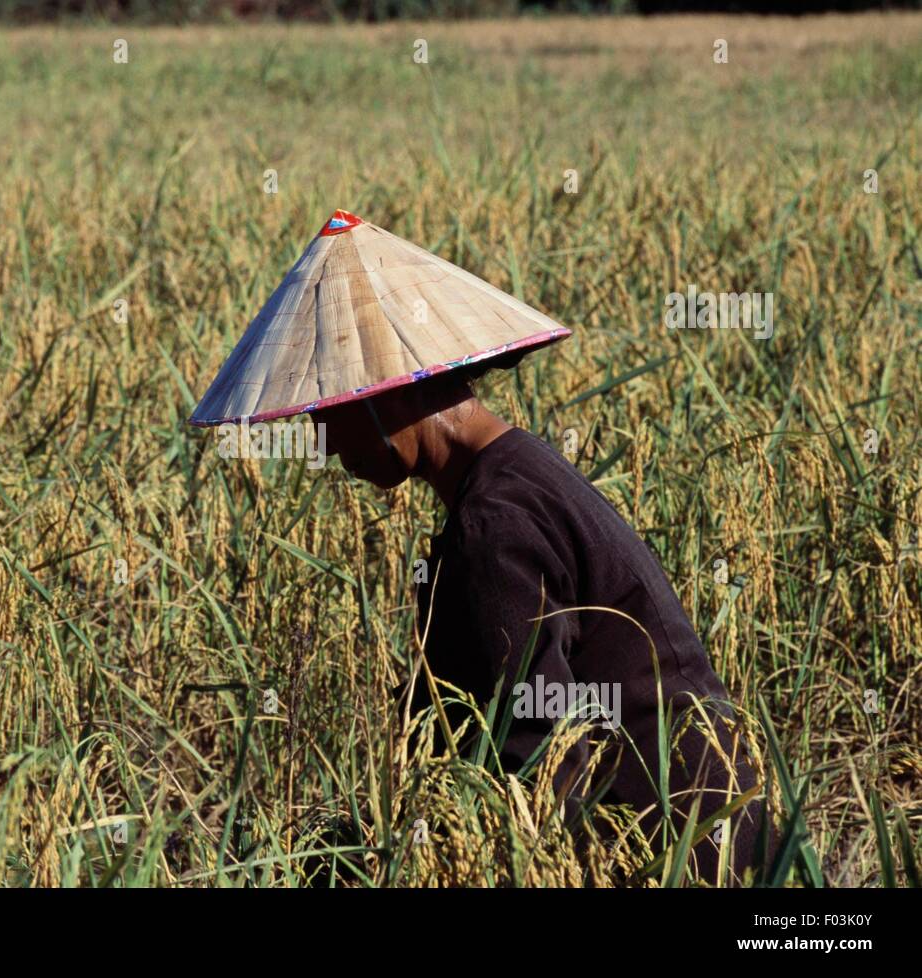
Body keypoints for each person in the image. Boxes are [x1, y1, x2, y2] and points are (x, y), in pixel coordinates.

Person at [190, 210, 768, 884]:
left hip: (674, 848)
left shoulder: (495, 524)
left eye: (329, 414)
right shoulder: (521, 474)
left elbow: (542, 742)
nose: (321, 444)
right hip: (707, 824)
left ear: (384, 397)